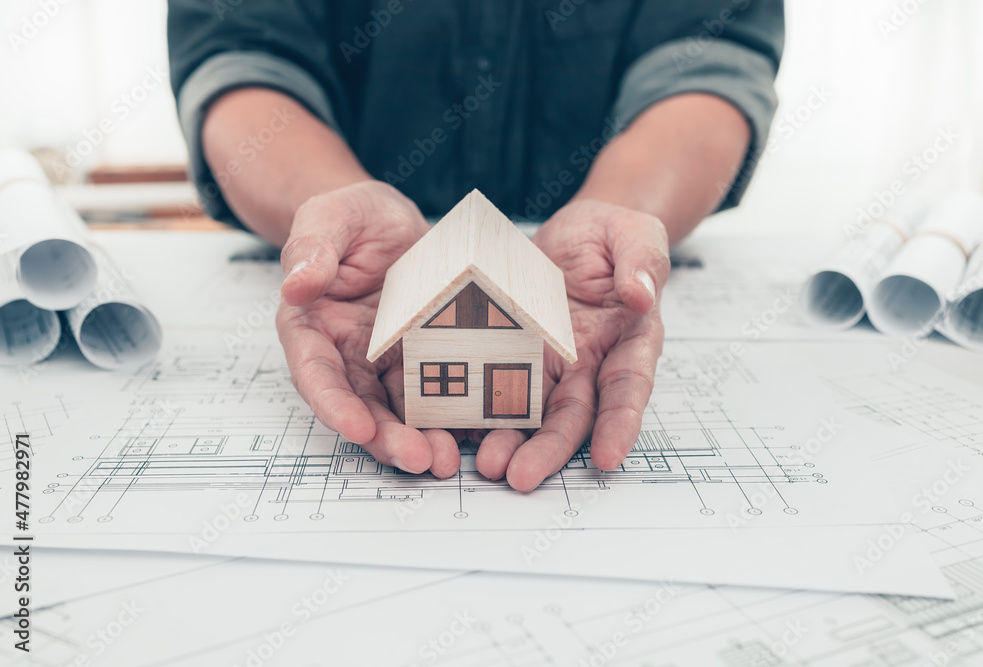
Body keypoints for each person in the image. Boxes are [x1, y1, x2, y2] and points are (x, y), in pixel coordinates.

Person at [167, 1, 784, 491]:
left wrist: (625, 209)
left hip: (588, 249)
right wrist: (329, 203)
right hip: (360, 251)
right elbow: (240, 55)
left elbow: (711, 59)